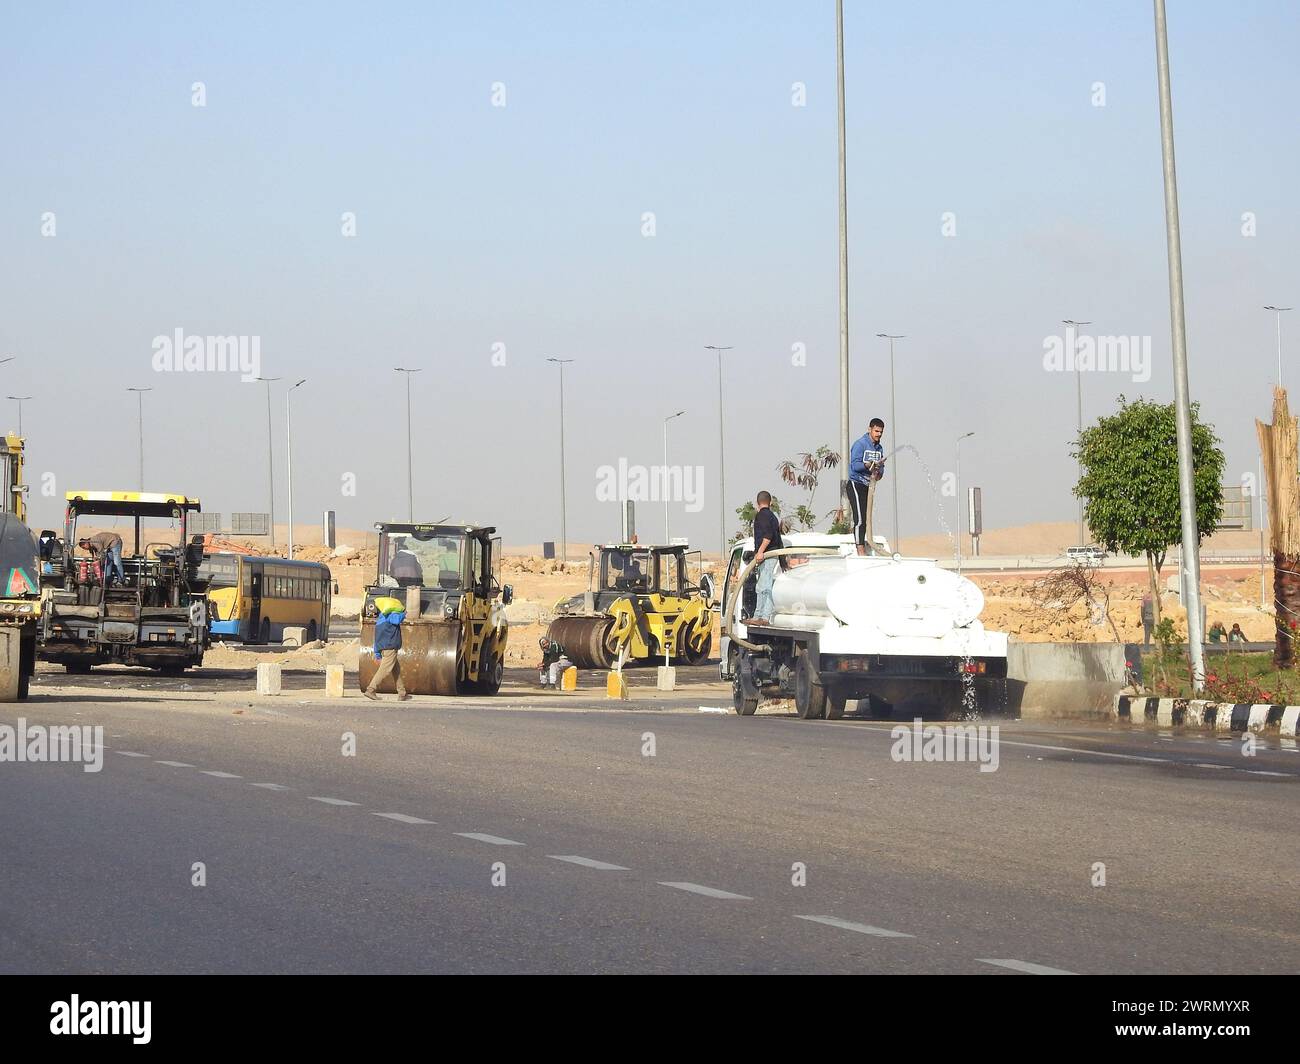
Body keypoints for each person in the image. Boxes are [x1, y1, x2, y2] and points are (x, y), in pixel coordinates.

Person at [848, 418, 887, 556]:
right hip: (856, 484)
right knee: (860, 518)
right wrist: (868, 465)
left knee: (867, 517)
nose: (878, 434)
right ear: (870, 429)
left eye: (881, 432)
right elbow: (855, 465)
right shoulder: (860, 444)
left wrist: (878, 472)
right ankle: (860, 549)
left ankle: (868, 542)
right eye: (876, 431)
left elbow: (881, 470)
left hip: (869, 486)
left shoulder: (879, 448)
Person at [748, 490, 782, 626]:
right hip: (769, 555)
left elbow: (768, 535)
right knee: (761, 585)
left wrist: (760, 551)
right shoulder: (773, 516)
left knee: (765, 586)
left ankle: (764, 617)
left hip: (768, 555)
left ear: (757, 503)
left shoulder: (762, 516)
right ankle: (758, 615)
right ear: (771, 502)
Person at [364, 607, 411, 701]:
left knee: (396, 670)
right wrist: (404, 613)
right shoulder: (390, 616)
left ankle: (402, 693)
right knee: (384, 670)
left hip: (383, 648)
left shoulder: (379, 621)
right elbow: (397, 620)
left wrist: (377, 653)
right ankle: (371, 690)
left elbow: (376, 639)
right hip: (390, 648)